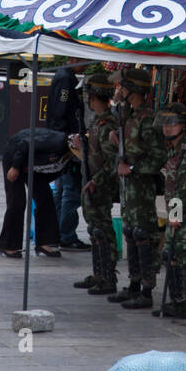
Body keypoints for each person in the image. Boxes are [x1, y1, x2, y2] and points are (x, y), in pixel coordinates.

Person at [107, 68, 166, 309]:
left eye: (123, 86)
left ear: (134, 89)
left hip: (141, 187)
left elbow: (158, 155)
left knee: (143, 235)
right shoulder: (128, 115)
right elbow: (130, 148)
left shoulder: (148, 119)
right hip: (129, 187)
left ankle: (147, 289)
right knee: (130, 232)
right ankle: (133, 284)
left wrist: (132, 168)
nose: (119, 90)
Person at [153, 102, 186, 319]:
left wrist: (174, 215)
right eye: (165, 123)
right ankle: (176, 301)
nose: (168, 127)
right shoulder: (170, 151)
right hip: (176, 212)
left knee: (181, 258)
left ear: (183, 125)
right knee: (170, 256)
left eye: (173, 123)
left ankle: (184, 304)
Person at [72, 73, 121, 295]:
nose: (88, 101)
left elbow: (111, 161)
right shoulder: (96, 121)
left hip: (100, 185)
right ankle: (99, 273)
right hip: (91, 181)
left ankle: (108, 277)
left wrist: (96, 181)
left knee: (103, 231)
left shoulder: (107, 123)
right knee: (94, 230)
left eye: (90, 97)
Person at [0, 127, 71, 258]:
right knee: (17, 201)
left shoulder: (72, 160)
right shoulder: (59, 142)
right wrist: (15, 167)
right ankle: (8, 245)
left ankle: (45, 242)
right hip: (16, 154)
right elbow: (25, 144)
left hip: (35, 165)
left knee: (45, 198)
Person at [48, 58, 90, 250]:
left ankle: (55, 232)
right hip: (66, 141)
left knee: (61, 190)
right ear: (73, 59)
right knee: (69, 191)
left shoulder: (66, 75)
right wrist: (67, 140)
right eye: (84, 61)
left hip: (61, 139)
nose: (86, 65)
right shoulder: (66, 79)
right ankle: (66, 234)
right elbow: (60, 111)